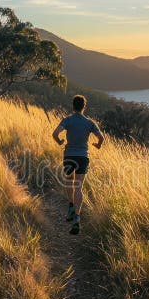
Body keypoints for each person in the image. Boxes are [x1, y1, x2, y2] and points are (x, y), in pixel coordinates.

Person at [52, 95, 104, 234]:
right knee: (79, 187)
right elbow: (101, 137)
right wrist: (97, 145)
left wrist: (60, 142)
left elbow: (55, 133)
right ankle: (77, 218)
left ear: (73, 106)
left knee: (70, 182)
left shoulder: (67, 120)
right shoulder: (89, 122)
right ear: (84, 107)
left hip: (69, 155)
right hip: (83, 157)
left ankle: (70, 206)